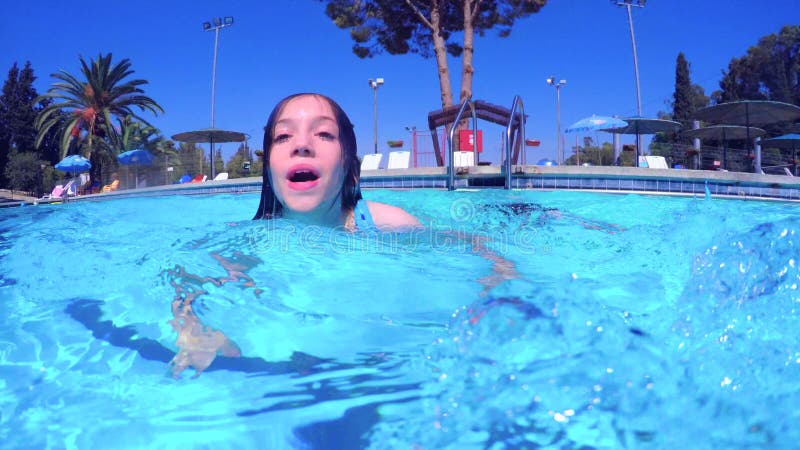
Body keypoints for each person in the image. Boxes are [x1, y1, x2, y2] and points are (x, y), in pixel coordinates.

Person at [253, 93, 420, 231]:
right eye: (283, 136)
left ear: (352, 171)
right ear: (268, 171)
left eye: (324, 133)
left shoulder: (394, 224)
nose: (302, 144)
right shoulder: (253, 239)